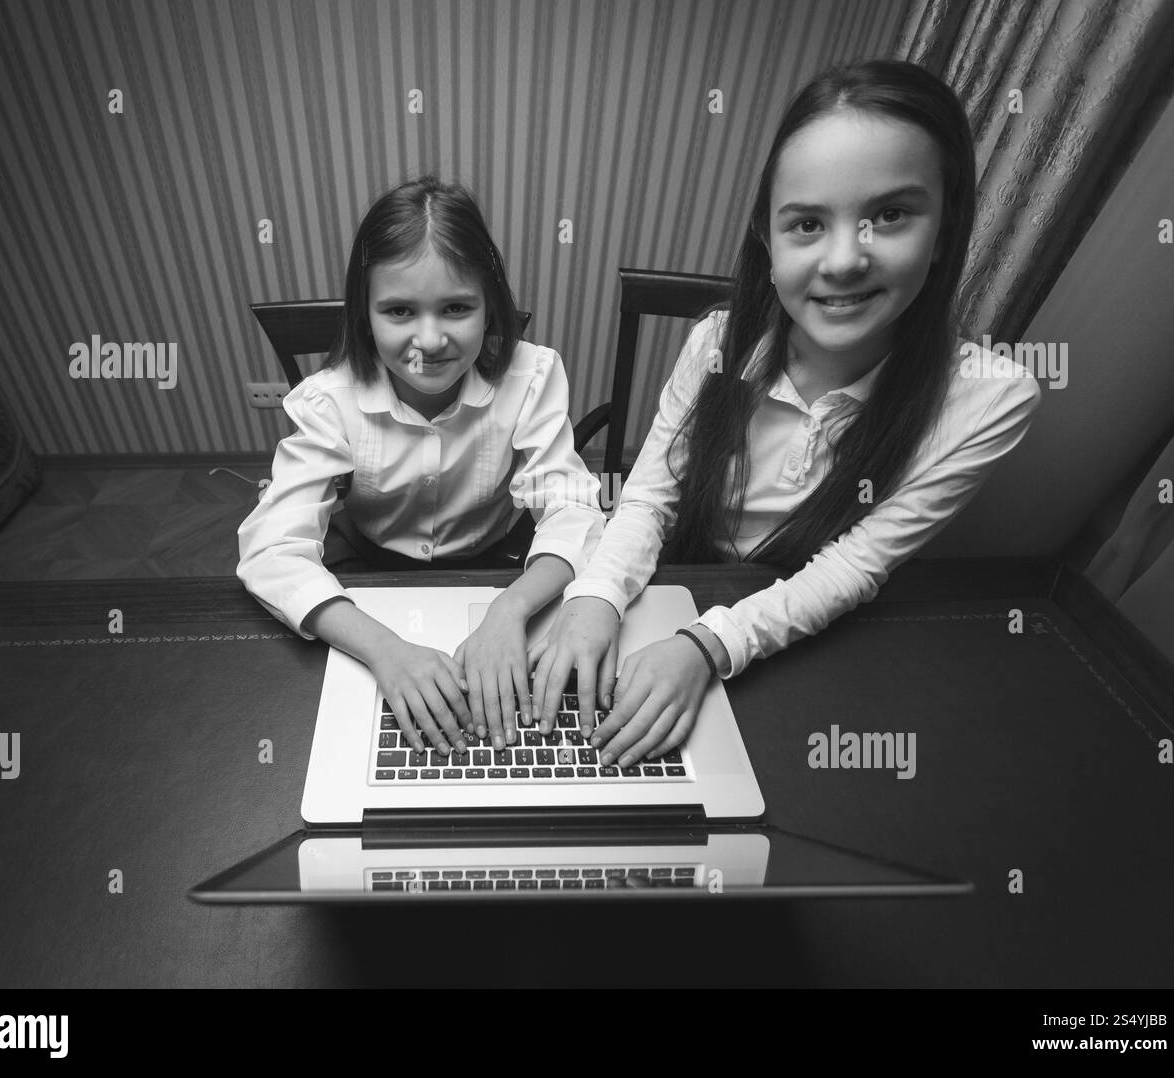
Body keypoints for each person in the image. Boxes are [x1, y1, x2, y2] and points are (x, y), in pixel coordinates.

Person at [529, 58, 1042, 770]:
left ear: (946, 229)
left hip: (791, 639)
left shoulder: (988, 398)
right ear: (766, 241)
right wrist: (595, 596)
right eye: (806, 223)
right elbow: (647, 498)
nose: (842, 260)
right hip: (673, 591)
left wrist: (707, 646)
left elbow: (856, 566)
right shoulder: (716, 341)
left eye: (889, 215)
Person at [238, 176, 603, 758]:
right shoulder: (330, 400)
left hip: (498, 564)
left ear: (490, 307)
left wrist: (510, 608)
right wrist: (385, 651)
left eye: (456, 308)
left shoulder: (531, 376)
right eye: (400, 311)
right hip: (369, 572)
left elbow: (574, 506)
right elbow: (270, 550)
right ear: (366, 314)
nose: (428, 341)